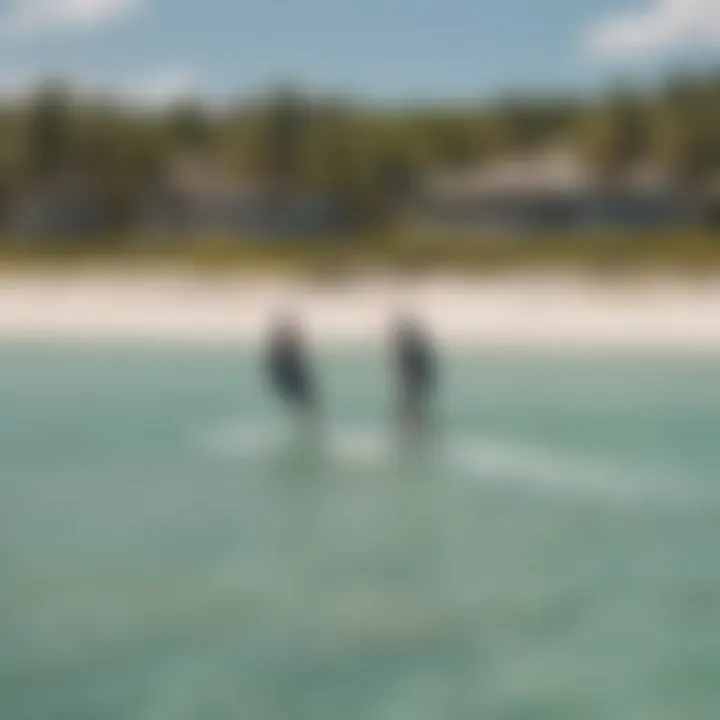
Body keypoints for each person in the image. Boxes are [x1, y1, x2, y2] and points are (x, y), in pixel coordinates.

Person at [265, 313, 319, 437]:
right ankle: (308, 427)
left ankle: (307, 427)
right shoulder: (284, 343)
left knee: (303, 403)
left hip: (290, 373)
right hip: (290, 373)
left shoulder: (282, 342)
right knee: (304, 404)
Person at [391, 313, 437, 447]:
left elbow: (407, 369)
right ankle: (415, 432)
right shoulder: (413, 347)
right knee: (415, 406)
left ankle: (410, 432)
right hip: (416, 382)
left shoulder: (409, 347)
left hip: (414, 382)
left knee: (412, 406)